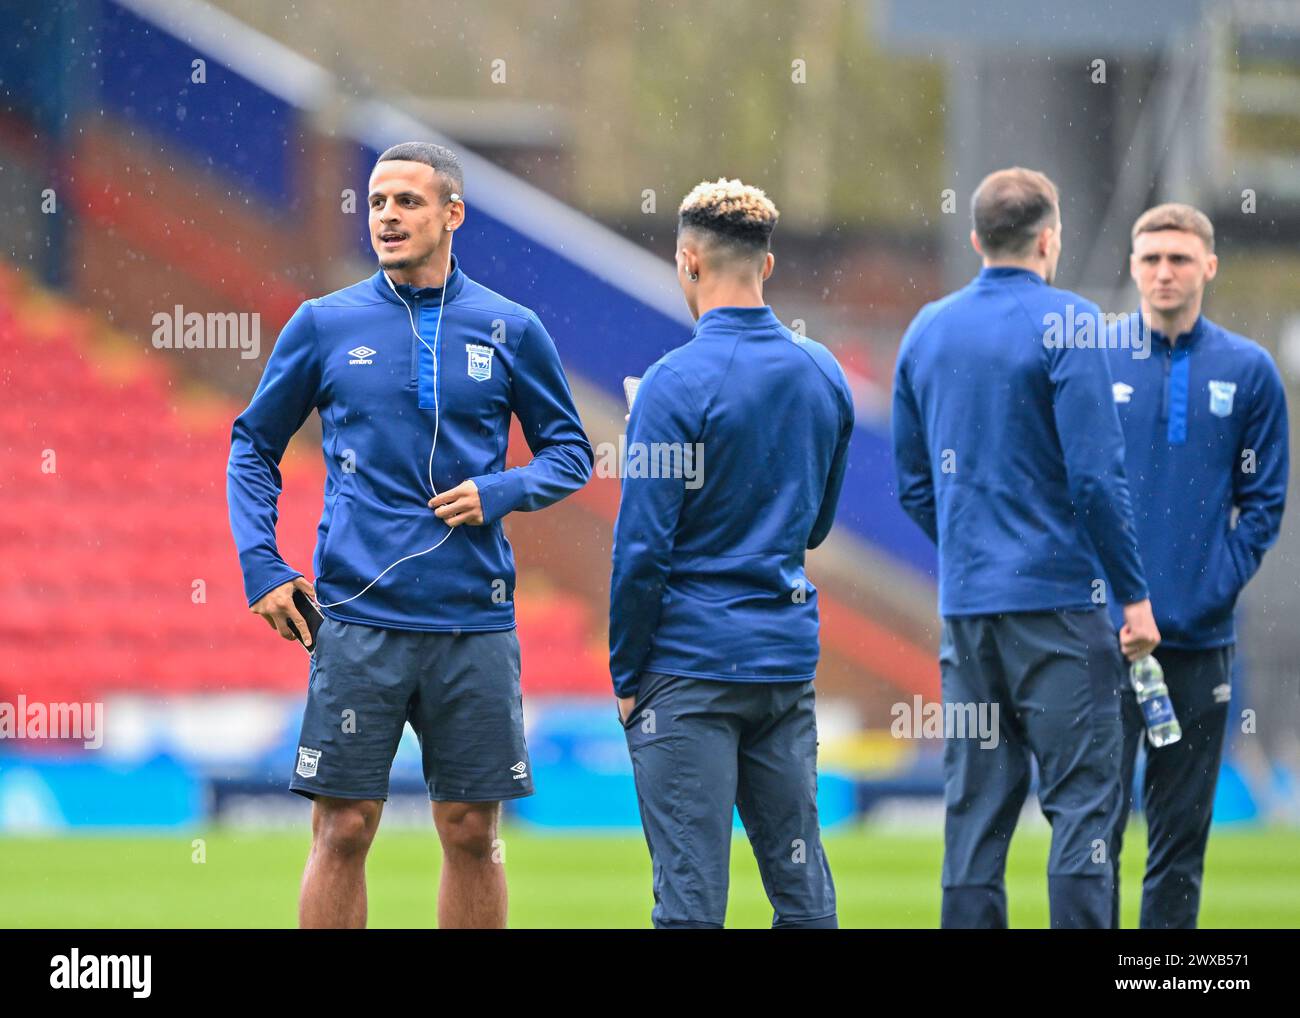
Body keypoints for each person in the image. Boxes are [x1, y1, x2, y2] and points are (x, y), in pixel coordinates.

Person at [226, 141, 593, 928]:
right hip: (360, 622)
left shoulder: (510, 327)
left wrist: (502, 490)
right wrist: (262, 563)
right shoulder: (324, 324)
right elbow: (252, 444)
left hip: (474, 623)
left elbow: (572, 454)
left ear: (452, 214)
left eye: (408, 202)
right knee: (343, 827)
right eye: (377, 202)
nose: (387, 216)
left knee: (472, 832)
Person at [891, 166, 1160, 929]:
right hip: (1062, 612)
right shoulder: (1073, 323)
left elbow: (913, 485)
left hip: (970, 613)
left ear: (976, 239)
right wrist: (1133, 594)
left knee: (973, 817)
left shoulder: (927, 328)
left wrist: (976, 551)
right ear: (1051, 239)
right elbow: (1097, 479)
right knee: (1082, 809)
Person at [609, 178, 854, 929]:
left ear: (688, 261)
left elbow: (642, 548)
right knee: (804, 895)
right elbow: (814, 528)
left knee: (690, 903)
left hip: (689, 669)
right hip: (782, 666)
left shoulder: (670, 384)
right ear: (767, 265)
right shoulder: (824, 371)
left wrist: (625, 672)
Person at [1107, 203, 1289, 928]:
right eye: (1150, 258)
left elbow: (1264, 505)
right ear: (1132, 266)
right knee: (1091, 838)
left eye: (1179, 259)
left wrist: (1205, 593)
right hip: (1103, 642)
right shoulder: (1098, 360)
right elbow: (1070, 493)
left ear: (1208, 266)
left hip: (1199, 648)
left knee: (1179, 843)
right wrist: (1109, 601)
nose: (1163, 272)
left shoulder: (1248, 371)